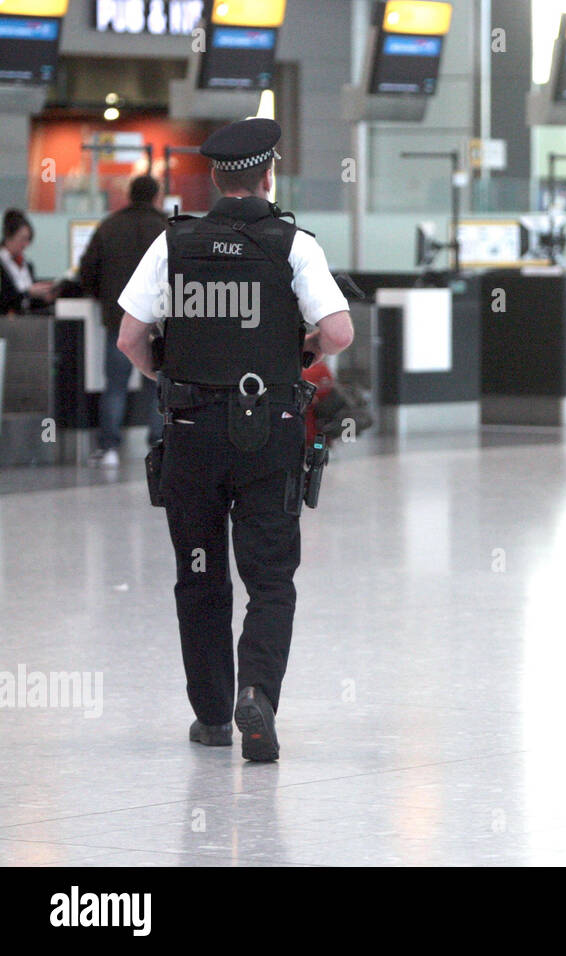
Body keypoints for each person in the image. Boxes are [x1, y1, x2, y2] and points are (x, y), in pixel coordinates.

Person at [116, 119, 354, 762]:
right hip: (268, 435)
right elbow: (338, 332)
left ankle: (213, 717)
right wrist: (296, 348)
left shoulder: (173, 244)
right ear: (268, 175)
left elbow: (129, 339)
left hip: (190, 436)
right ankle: (258, 693)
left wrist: (170, 377)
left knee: (199, 577)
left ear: (215, 179)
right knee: (270, 577)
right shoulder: (293, 245)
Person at [79, 176, 170, 468]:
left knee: (115, 384)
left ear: (130, 195)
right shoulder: (168, 227)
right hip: (159, 320)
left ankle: (109, 449)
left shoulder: (110, 225)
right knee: (157, 382)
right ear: (157, 196)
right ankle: (158, 444)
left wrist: (104, 299)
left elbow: (87, 272)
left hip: (119, 318)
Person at [0, 210, 55, 314]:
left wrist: (44, 297)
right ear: (9, 236)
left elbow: (28, 303)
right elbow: (5, 300)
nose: (25, 244)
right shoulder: (2, 265)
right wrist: (27, 293)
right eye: (22, 239)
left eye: (28, 240)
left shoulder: (27, 265)